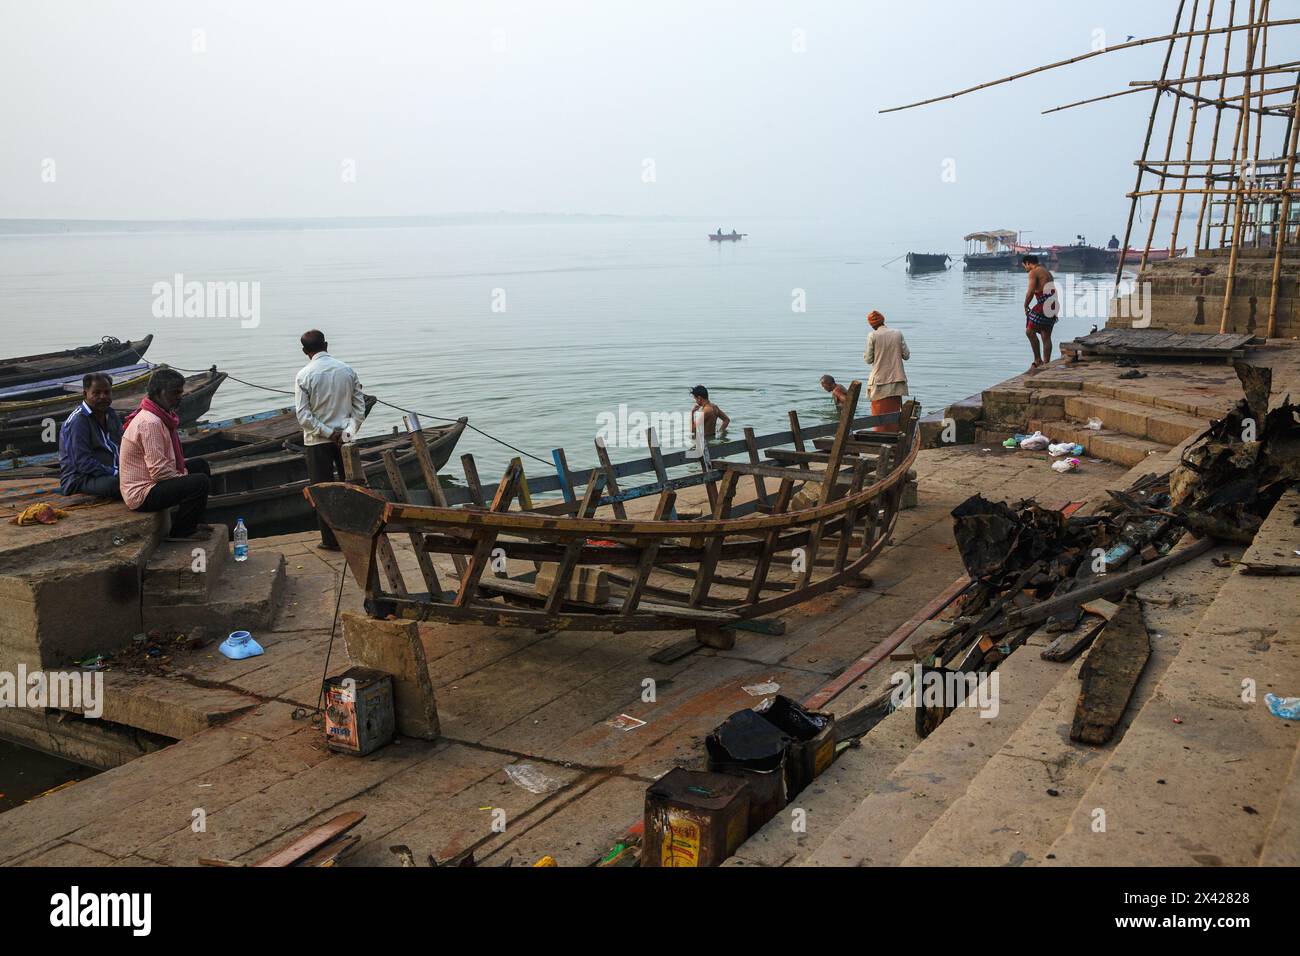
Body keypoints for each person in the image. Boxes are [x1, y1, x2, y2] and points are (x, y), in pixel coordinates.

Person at [295, 329, 367, 551]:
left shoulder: (304, 376)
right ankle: (356, 534)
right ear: (326, 344)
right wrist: (345, 433)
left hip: (317, 442)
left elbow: (303, 416)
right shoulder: (347, 370)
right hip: (345, 440)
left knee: (322, 491)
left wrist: (327, 433)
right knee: (352, 488)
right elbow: (359, 408)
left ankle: (330, 540)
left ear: (305, 351)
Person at [119, 367, 211, 538]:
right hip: (142, 494)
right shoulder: (150, 422)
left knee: (200, 466)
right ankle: (182, 532)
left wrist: (182, 473)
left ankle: (195, 522)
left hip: (151, 482)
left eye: (180, 392)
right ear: (159, 393)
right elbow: (159, 472)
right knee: (199, 482)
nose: (179, 397)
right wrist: (183, 476)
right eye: (174, 393)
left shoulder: (160, 416)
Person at [58, 372, 124, 498]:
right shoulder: (78, 421)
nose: (103, 396)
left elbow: (123, 446)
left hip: (109, 472)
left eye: (107, 392)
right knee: (117, 483)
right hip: (79, 479)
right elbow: (83, 463)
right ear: (85, 394)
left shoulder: (111, 414)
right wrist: (115, 472)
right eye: (97, 393)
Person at [863, 310, 909, 432]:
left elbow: (868, 359)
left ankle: (880, 439)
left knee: (879, 416)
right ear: (883, 320)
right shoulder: (897, 333)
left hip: (879, 381)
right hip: (897, 380)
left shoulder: (872, 335)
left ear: (872, 325)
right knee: (894, 412)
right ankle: (894, 437)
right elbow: (906, 355)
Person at [1021, 254, 1060, 374]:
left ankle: (1038, 360)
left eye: (1024, 266)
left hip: (1045, 303)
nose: (1025, 268)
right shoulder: (1046, 272)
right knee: (1045, 334)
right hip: (1053, 304)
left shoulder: (1034, 272)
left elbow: (1031, 291)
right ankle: (1046, 363)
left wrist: (1025, 305)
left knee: (1029, 331)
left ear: (1028, 263)